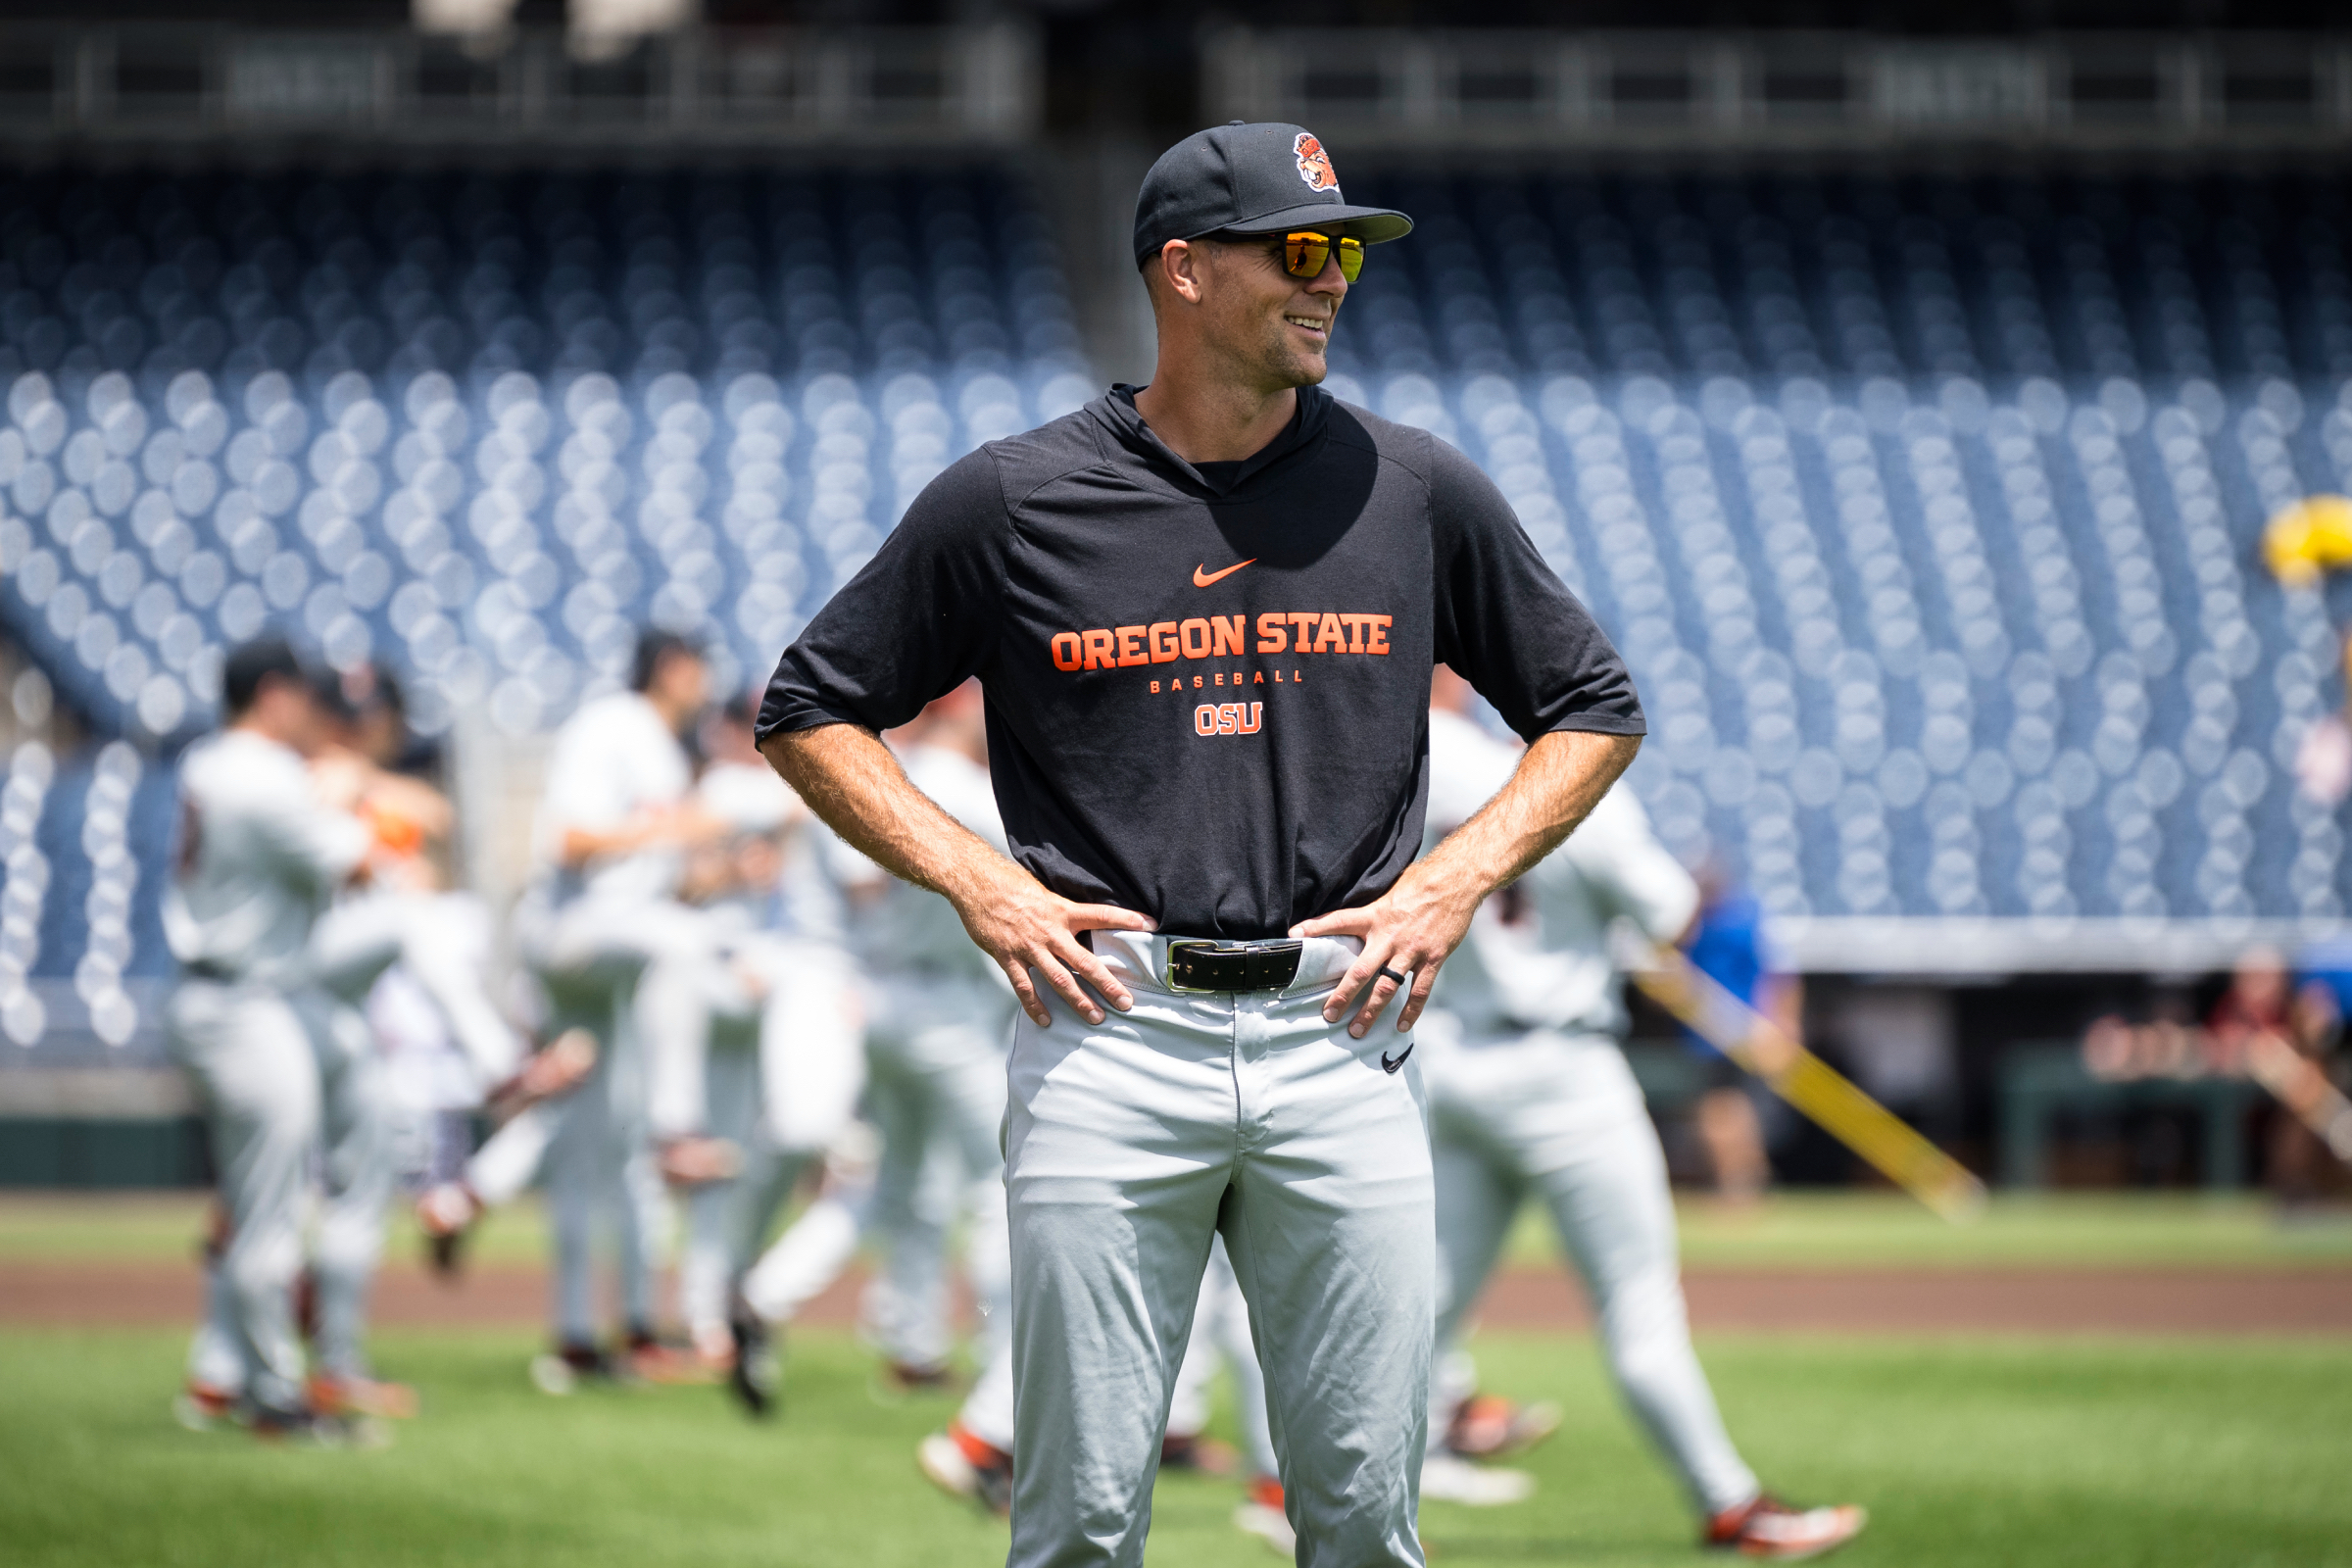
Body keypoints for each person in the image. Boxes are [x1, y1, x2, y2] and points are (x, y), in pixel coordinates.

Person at [756, 120, 1643, 1567]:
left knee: (1363, 1527)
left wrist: (1452, 881)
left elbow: (1594, 707)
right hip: (1111, 1035)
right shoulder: (1012, 498)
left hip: (1342, 1038)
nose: (1334, 280)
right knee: (1082, 1526)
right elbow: (810, 709)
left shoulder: (1414, 488)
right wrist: (983, 881)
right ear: (1182, 270)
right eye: (1302, 250)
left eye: (1345, 250)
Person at [1414, 669, 1866, 1560]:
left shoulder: (1413, 781)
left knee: (1420, 1311)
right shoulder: (1575, 792)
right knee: (1637, 1306)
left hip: (1451, 1058)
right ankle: (1731, 1504)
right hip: (1563, 1066)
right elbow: (1676, 914)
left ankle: (1292, 1485)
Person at [165, 638, 371, 1441]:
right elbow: (353, 861)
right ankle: (274, 1393)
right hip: (245, 1004)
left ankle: (231, 1376)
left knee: (255, 1206)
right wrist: (350, 793)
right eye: (307, 696)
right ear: (275, 695)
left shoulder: (210, 763)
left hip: (222, 997)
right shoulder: (260, 774)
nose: (318, 714)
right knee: (271, 1213)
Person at [1682, 864, 1792, 1203]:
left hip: (1744, 1033)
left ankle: (1741, 1185)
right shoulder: (1693, 927)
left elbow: (1778, 975)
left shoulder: (1743, 923)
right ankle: (1737, 1183)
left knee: (1729, 1111)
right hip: (1705, 1036)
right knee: (1718, 1112)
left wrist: (1779, 1024)